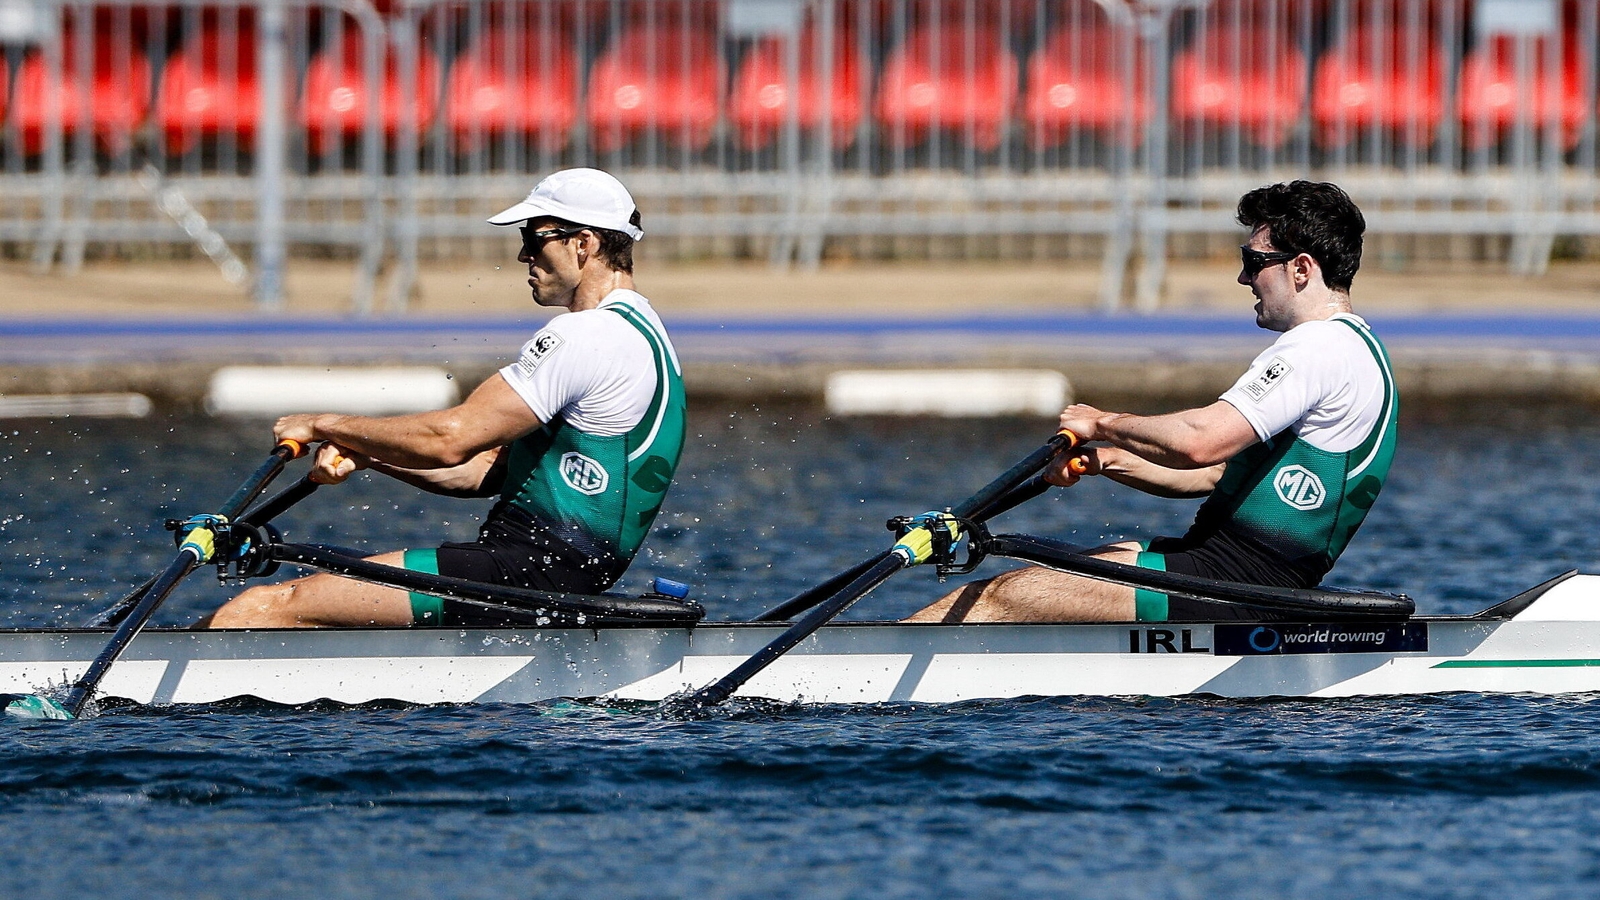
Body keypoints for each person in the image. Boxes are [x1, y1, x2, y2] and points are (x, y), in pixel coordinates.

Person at [204, 168, 686, 628]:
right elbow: (482, 471)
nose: (524, 256)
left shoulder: (586, 336)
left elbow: (450, 439)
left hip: (526, 568)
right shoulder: (643, 332)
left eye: (533, 238)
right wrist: (370, 453)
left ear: (584, 243)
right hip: (553, 570)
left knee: (263, 607)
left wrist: (323, 424)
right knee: (314, 599)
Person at [909, 180, 1395, 624]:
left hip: (1241, 584)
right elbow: (1215, 474)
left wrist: (1102, 422)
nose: (1244, 280)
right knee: (1077, 566)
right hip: (1221, 564)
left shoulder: (1317, 350)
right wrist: (1106, 461)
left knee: (1003, 597)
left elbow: (1201, 444)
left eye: (1253, 262)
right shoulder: (1351, 347)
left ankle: (861, 677)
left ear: (1302, 269)